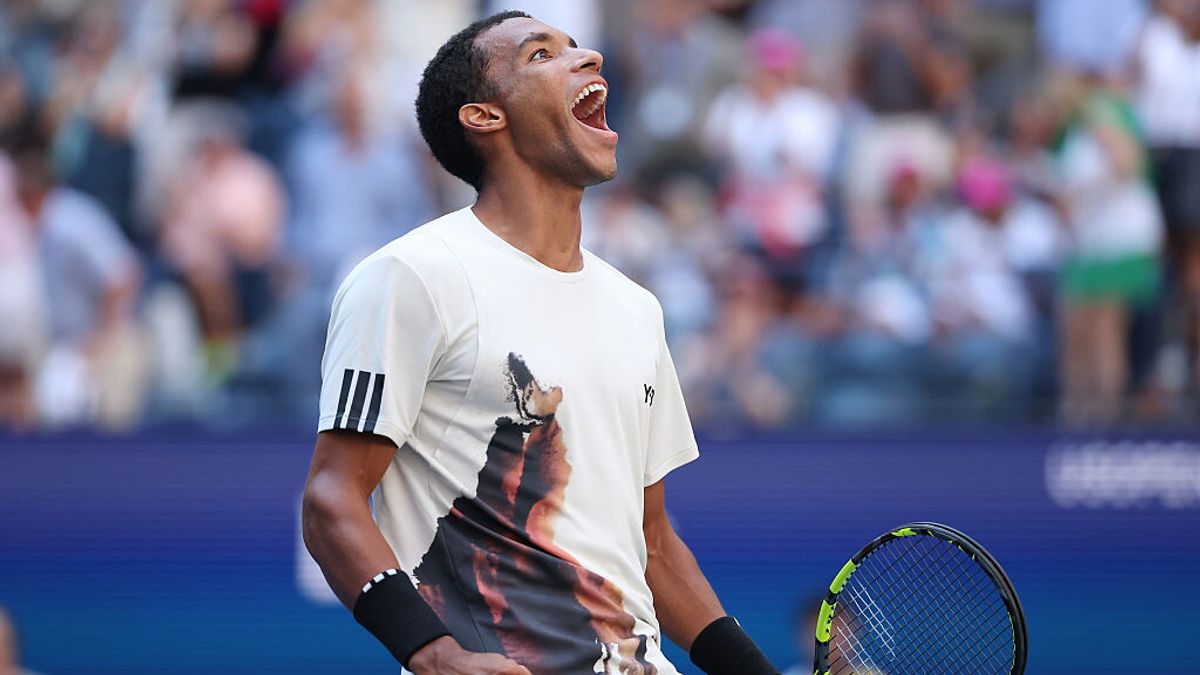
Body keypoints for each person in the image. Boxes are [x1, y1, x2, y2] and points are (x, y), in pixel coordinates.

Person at [301, 11, 778, 675]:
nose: (589, 58)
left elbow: (653, 544)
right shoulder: (411, 276)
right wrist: (433, 653)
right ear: (485, 116)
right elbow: (331, 499)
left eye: (577, 46)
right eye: (541, 55)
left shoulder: (638, 309)